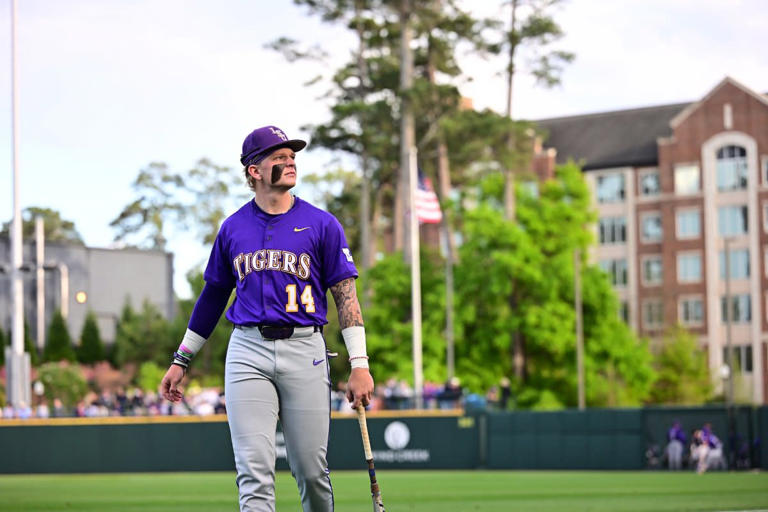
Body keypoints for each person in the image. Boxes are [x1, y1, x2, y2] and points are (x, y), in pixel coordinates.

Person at [160, 125, 375, 512]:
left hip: (305, 348)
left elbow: (346, 298)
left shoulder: (322, 224)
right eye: (279, 157)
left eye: (292, 156)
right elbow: (212, 297)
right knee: (254, 472)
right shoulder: (232, 228)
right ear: (254, 171)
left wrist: (359, 364)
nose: (290, 161)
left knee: (311, 471)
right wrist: (181, 359)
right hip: (247, 349)